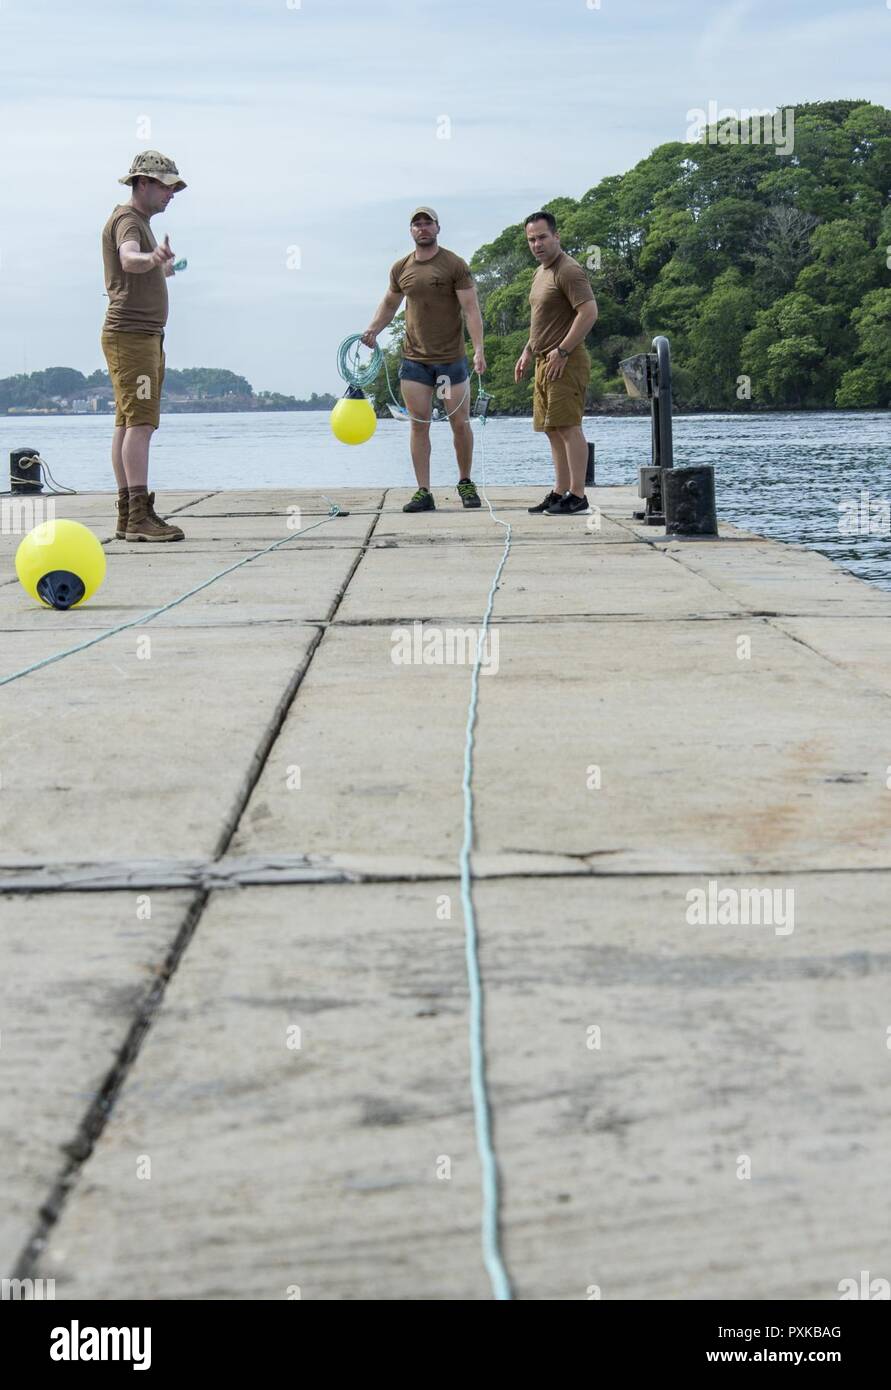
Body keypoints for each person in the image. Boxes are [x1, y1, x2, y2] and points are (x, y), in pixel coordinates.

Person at [362, 208, 486, 513]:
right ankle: (423, 491)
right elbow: (390, 304)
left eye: (427, 222)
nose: (422, 228)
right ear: (411, 231)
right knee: (419, 425)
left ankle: (465, 481)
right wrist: (373, 330)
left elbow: (470, 309)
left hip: (449, 361)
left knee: (459, 423)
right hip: (415, 362)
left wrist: (479, 349)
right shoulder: (401, 268)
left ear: (437, 227)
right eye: (416, 224)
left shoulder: (454, 264)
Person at [101, 150, 186, 542]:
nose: (171, 194)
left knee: (127, 422)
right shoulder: (128, 221)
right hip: (132, 336)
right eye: (166, 186)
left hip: (141, 336)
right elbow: (129, 257)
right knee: (141, 423)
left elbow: (141, 261)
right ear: (143, 183)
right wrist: (149, 257)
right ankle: (138, 514)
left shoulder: (140, 223)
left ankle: (127, 514)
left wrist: (161, 264)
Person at [514, 211, 598, 516]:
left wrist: (562, 351)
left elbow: (588, 312)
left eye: (542, 237)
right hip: (542, 360)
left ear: (556, 236)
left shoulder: (569, 270)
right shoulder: (540, 273)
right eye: (531, 239)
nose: (537, 244)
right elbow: (541, 320)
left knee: (568, 427)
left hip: (566, 360)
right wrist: (526, 351)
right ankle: (559, 491)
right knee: (551, 429)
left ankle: (578, 496)